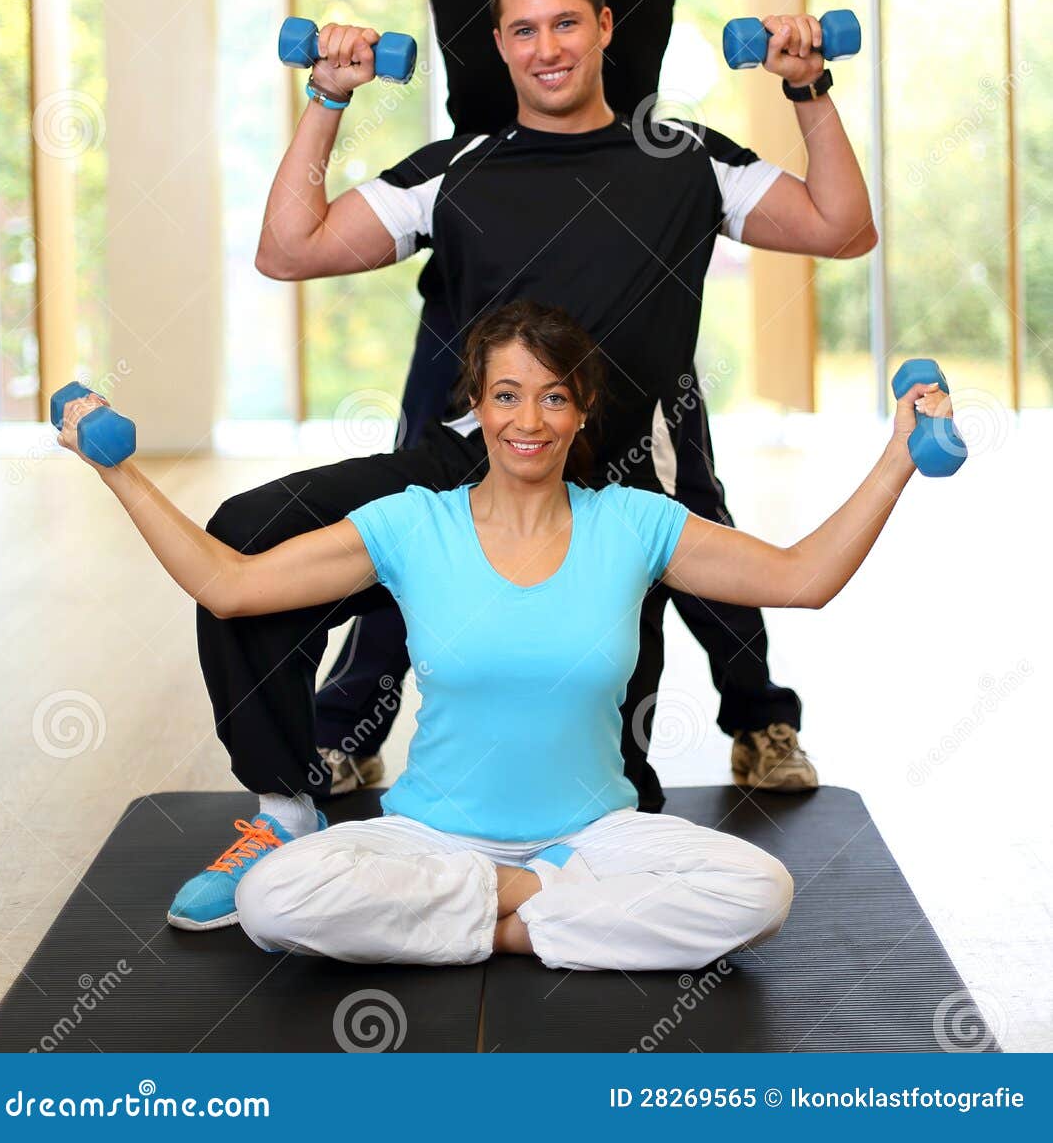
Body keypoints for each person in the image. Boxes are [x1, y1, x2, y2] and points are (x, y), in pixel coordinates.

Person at [161, 0, 875, 933]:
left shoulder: (684, 159)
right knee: (246, 532)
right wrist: (325, 97)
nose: (547, 47)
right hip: (471, 460)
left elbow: (842, 228)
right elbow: (289, 249)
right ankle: (284, 807)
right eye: (524, 29)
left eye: (566, 23)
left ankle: (542, 883)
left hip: (614, 484)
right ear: (498, 45)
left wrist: (808, 89)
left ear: (605, 28)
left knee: (608, 778)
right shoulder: (457, 168)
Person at [293, 0, 801, 795]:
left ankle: (755, 719)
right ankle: (351, 730)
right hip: (482, 253)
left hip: (632, 250)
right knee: (426, 489)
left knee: (674, 498)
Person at [56, 302, 949, 970]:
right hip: (430, 837)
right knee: (272, 896)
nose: (529, 421)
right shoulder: (412, 523)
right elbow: (230, 586)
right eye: (507, 396)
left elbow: (800, 577)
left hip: (593, 835)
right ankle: (534, 908)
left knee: (759, 891)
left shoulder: (634, 522)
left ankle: (477, 926)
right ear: (476, 407)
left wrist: (897, 458)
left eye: (553, 397)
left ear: (582, 409)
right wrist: (117, 471)